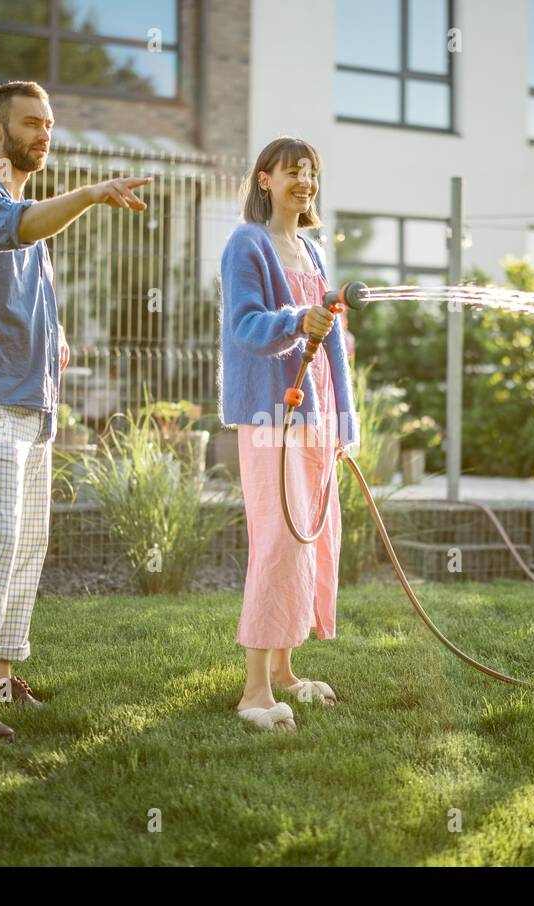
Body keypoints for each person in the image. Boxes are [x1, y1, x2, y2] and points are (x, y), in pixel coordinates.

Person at [0, 80, 152, 737]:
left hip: (33, 402)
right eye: (30, 122)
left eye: (49, 123)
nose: (43, 133)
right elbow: (19, 227)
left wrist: (54, 336)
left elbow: (23, 272)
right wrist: (89, 193)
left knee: (27, 540)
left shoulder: (27, 215)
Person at [218, 137, 360, 733]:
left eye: (312, 173)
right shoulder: (247, 244)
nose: (304, 182)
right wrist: (296, 320)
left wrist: (345, 421)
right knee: (278, 542)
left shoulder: (312, 250)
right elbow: (246, 326)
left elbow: (336, 349)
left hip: (317, 415)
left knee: (308, 542)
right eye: (292, 172)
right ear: (264, 180)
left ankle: (284, 673)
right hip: (271, 417)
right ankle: (254, 693)